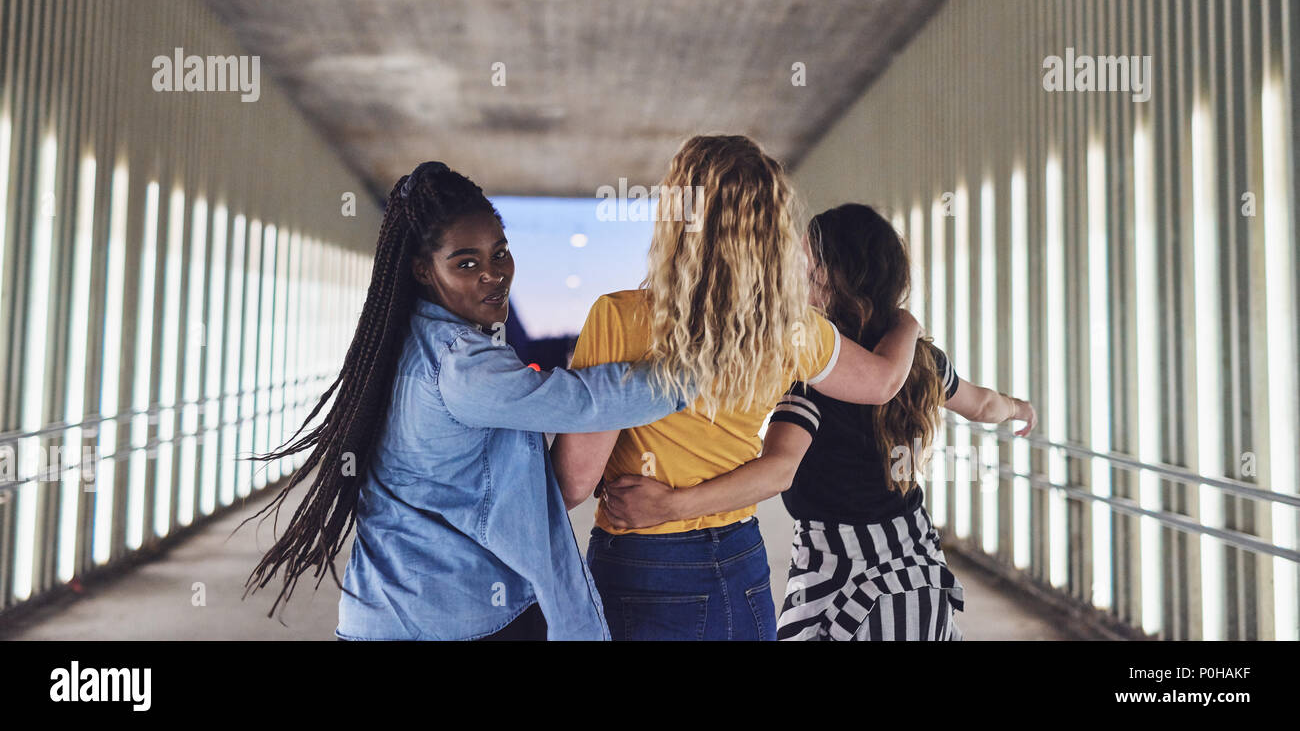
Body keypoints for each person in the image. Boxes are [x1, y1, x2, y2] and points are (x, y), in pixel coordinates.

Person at [241, 161, 692, 640]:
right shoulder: (460, 365)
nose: (493, 275)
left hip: (375, 620)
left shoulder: (400, 341)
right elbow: (583, 402)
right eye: (467, 263)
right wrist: (699, 372)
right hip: (461, 620)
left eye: (500, 254)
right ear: (423, 269)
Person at [603, 202, 1037, 640]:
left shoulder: (817, 373)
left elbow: (779, 469)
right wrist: (1020, 408)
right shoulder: (921, 361)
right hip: (908, 560)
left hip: (844, 569)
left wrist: (671, 505)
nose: (796, 271)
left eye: (807, 262)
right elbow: (983, 406)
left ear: (831, 277)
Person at [551, 137, 922, 641]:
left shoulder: (620, 319)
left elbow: (572, 484)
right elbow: (882, 382)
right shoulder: (794, 331)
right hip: (741, 558)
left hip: (645, 563)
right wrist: (907, 320)